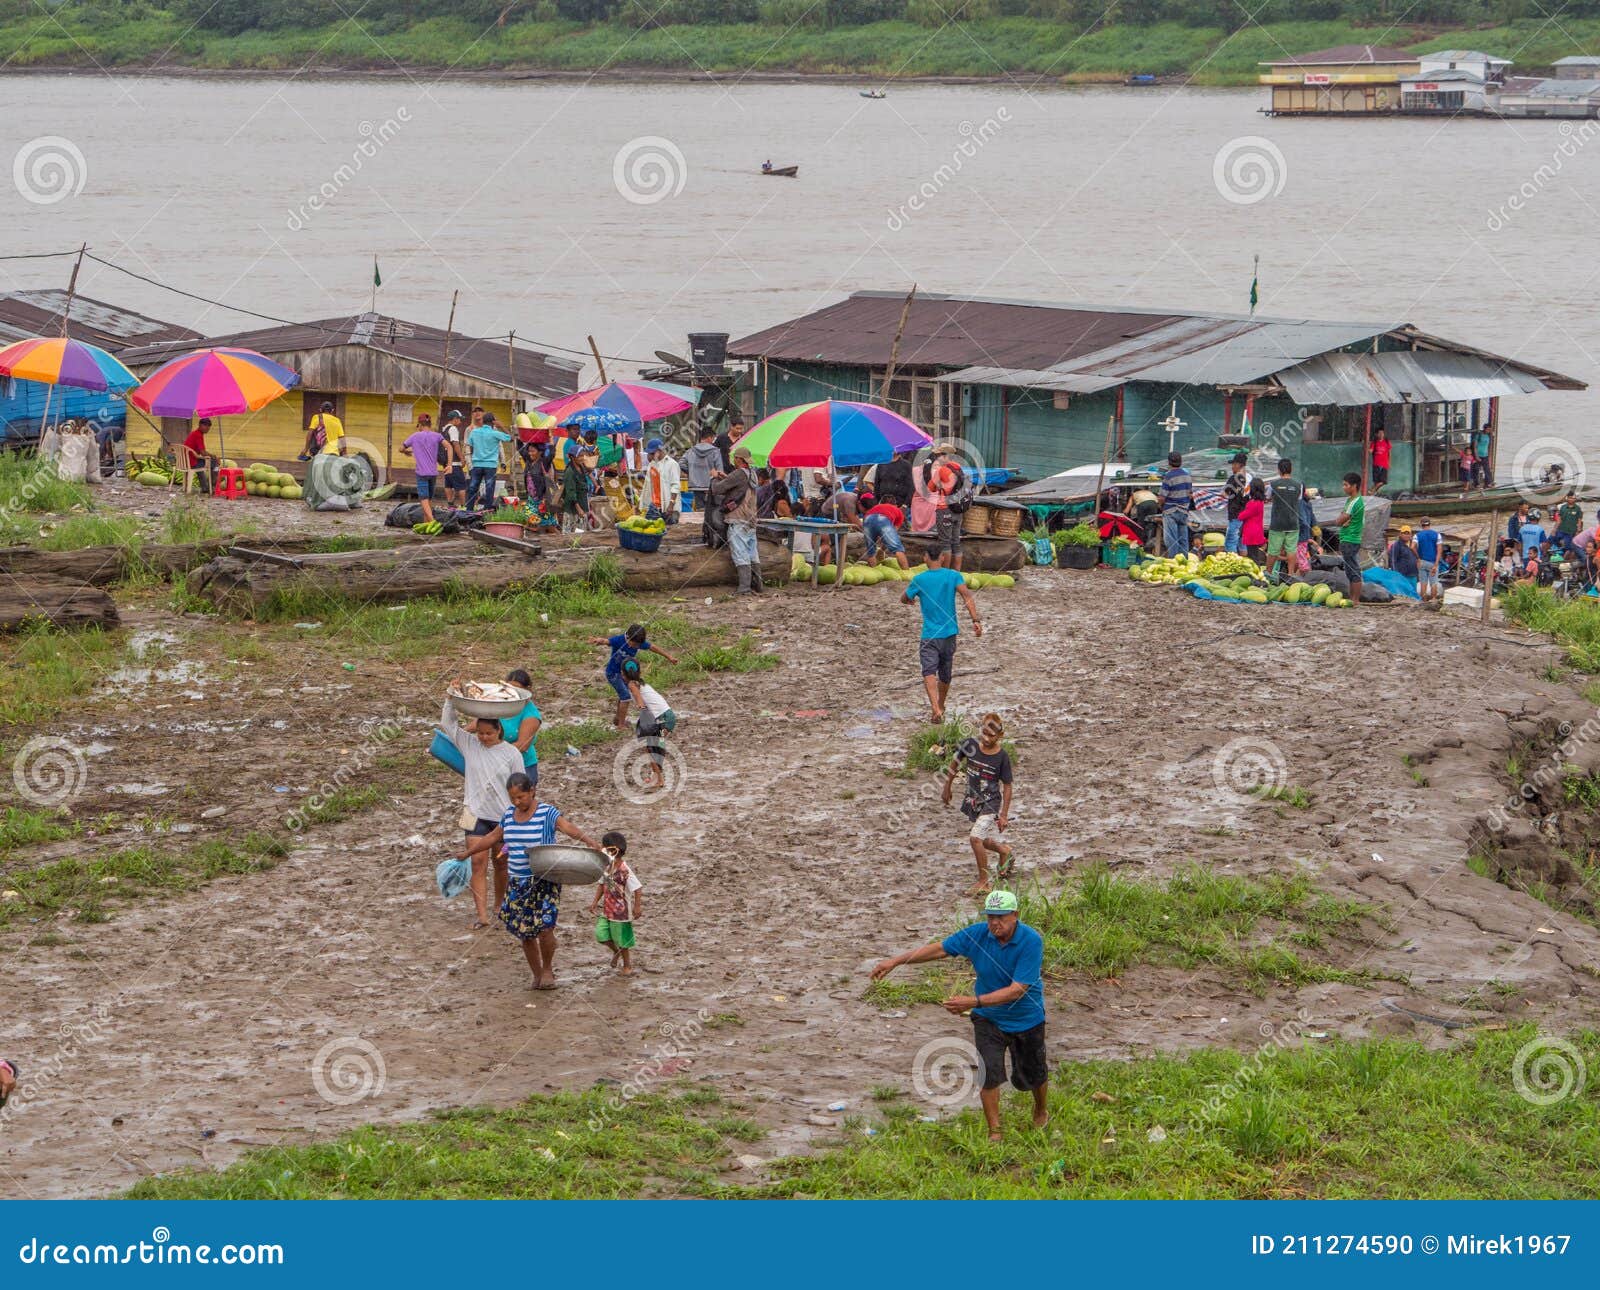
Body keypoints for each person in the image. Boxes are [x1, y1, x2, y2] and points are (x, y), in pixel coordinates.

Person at [870, 889, 1048, 1142]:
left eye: (1001, 917)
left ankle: (1040, 1109)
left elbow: (1017, 990)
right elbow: (940, 949)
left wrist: (972, 1001)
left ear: (1015, 915)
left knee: (1033, 1074)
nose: (995, 923)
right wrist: (896, 961)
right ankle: (994, 1132)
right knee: (989, 1073)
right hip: (989, 1018)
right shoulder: (977, 934)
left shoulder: (1031, 941)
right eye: (990, 917)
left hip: (1026, 1018)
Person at [458, 773, 604, 989]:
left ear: (532, 791)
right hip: (517, 883)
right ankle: (536, 975)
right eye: (513, 799)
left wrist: (590, 842)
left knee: (546, 929)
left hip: (545, 879)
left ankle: (547, 970)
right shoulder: (508, 816)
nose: (517, 802)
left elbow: (568, 827)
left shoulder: (547, 813)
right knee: (525, 933)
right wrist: (468, 853)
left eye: (521, 797)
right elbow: (491, 838)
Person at [442, 690, 526, 929]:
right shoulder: (469, 745)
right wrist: (450, 698)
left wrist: (520, 816)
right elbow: (448, 724)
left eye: (489, 733)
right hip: (474, 814)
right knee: (477, 864)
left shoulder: (511, 754)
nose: (484, 738)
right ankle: (482, 916)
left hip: (503, 818)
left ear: (499, 730)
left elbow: (520, 787)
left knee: (501, 864)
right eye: (480, 733)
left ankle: (499, 906)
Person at [904, 545, 982, 723]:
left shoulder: (919, 579)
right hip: (950, 633)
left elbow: (904, 597)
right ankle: (941, 704)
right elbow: (967, 596)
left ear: (925, 558)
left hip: (930, 635)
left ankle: (935, 708)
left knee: (929, 671)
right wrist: (975, 620)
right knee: (945, 673)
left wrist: (908, 599)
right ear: (942, 558)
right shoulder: (953, 575)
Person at [944, 714, 1015, 896]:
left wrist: (1004, 815)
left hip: (991, 803)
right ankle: (1004, 851)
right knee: (980, 837)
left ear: (1000, 735)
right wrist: (947, 787)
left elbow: (1007, 786)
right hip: (973, 799)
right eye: (984, 733)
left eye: (991, 735)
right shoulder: (970, 745)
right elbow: (955, 764)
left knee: (975, 838)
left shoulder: (1002, 757)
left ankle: (984, 882)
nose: (986, 738)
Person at [591, 624, 678, 730]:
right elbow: (607, 641)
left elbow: (652, 647)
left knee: (623, 695)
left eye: (638, 645)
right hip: (613, 674)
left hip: (626, 675)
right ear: (628, 637)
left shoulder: (638, 641)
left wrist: (669, 657)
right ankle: (621, 725)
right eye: (635, 644)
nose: (636, 647)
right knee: (626, 697)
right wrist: (598, 640)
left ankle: (618, 719)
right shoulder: (619, 640)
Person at [711, 444, 763, 594]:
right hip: (751, 518)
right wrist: (726, 477)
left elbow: (717, 489)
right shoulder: (752, 474)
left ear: (739, 459)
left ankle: (745, 587)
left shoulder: (738, 474)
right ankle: (758, 585)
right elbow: (739, 485)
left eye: (735, 458)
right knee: (752, 552)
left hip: (738, 518)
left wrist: (714, 477)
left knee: (740, 553)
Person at [590, 831, 643, 974]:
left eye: (604, 847)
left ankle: (627, 966)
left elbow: (637, 888)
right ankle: (616, 951)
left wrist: (637, 907)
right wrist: (595, 902)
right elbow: (602, 885)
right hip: (607, 910)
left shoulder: (625, 871)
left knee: (623, 940)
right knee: (601, 935)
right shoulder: (607, 867)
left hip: (621, 913)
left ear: (612, 851)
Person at [621, 659, 676, 790]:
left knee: (650, 748)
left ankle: (659, 779)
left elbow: (638, 697)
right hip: (669, 718)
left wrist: (643, 709)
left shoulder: (632, 685)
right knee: (657, 746)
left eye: (622, 674)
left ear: (624, 674)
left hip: (661, 719)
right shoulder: (640, 682)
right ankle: (657, 776)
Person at [924, 443, 968, 571]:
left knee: (945, 542)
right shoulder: (959, 468)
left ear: (945, 456)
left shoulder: (941, 470)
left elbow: (930, 488)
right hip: (958, 509)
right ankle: (956, 572)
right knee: (956, 542)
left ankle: (945, 572)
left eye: (938, 455)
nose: (937, 458)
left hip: (945, 509)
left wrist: (939, 483)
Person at [501, 667, 543, 787]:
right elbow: (480, 723)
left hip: (523, 768)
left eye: (517, 689)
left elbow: (522, 745)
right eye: (509, 688)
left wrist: (493, 754)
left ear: (527, 690)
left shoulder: (531, 715)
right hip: (501, 765)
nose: (513, 693)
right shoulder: (502, 704)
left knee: (519, 803)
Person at [1264, 458, 1303, 582]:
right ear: (1291, 469)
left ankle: (1268, 573)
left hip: (1277, 523)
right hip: (1293, 522)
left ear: (1279, 470)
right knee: (1291, 549)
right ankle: (1290, 574)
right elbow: (1299, 499)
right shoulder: (1299, 485)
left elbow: (1267, 497)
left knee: (1273, 550)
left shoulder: (1273, 484)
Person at [401, 413, 444, 525]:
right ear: (430, 424)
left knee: (423, 499)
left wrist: (406, 452)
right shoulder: (437, 435)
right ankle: (426, 523)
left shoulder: (415, 436)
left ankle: (433, 521)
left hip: (421, 473)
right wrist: (448, 464)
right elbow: (448, 446)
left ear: (420, 424)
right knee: (429, 500)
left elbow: (401, 448)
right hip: (433, 473)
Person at [465, 412, 510, 511]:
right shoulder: (495, 433)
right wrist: (501, 425)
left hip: (476, 464)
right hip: (490, 466)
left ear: (483, 421)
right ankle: (487, 511)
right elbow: (510, 438)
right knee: (489, 489)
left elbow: (470, 446)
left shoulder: (474, 432)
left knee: (473, 488)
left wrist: (475, 458)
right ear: (493, 422)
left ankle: (469, 510)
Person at [1335, 471, 1365, 606]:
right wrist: (1343, 519)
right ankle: (1353, 599)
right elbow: (1342, 518)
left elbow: (1339, 520)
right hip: (1348, 538)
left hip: (1350, 539)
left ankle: (1355, 600)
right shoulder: (1350, 500)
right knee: (1349, 570)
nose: (1344, 487)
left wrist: (1343, 520)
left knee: (1353, 569)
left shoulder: (1355, 502)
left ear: (1354, 486)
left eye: (1346, 485)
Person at [1158, 451, 1193, 558]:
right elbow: (1190, 494)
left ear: (1169, 462)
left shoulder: (1168, 477)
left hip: (1171, 511)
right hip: (1184, 511)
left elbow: (1162, 497)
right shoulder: (1187, 476)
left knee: (1171, 540)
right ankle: (1184, 562)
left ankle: (1173, 562)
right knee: (1183, 539)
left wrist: (1160, 506)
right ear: (1181, 462)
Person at [682, 426, 724, 513]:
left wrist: (691, 472)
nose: (713, 441)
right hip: (711, 486)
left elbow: (681, 464)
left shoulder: (691, 451)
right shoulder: (715, 451)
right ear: (709, 438)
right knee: (712, 512)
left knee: (699, 512)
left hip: (696, 486)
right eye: (713, 439)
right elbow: (720, 470)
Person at [863, 497, 910, 571]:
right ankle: (907, 573)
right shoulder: (898, 511)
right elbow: (893, 532)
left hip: (867, 519)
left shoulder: (876, 507)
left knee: (871, 551)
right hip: (883, 519)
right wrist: (883, 548)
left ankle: (875, 572)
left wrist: (882, 550)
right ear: (895, 505)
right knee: (898, 549)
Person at [645, 437, 682, 524]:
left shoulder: (672, 464)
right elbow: (648, 486)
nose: (650, 456)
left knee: (671, 534)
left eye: (652, 453)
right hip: (655, 507)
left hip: (669, 508)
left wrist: (671, 505)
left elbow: (676, 485)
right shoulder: (652, 465)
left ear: (659, 451)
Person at [1222, 453, 1251, 554]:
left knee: (1231, 543)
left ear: (1239, 465)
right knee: (1242, 544)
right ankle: (1245, 568)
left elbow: (1224, 494)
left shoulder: (1233, 478)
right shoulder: (1250, 478)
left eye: (1234, 464)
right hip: (1246, 516)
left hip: (1235, 516)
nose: (1232, 466)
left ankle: (1234, 567)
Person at [440, 410, 468, 508]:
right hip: (455, 463)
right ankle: (463, 505)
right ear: (455, 419)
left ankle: (450, 504)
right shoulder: (453, 429)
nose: (460, 421)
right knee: (462, 486)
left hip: (446, 463)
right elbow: (455, 444)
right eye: (460, 419)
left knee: (448, 484)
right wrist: (462, 458)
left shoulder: (444, 429)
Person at [181, 418, 216, 490]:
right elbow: (203, 453)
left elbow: (200, 451)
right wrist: (214, 456)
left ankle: (205, 487)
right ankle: (212, 485)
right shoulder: (198, 435)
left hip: (186, 461)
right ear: (200, 425)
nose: (207, 428)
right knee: (214, 463)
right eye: (205, 425)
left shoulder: (194, 433)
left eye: (209, 426)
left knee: (201, 464)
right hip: (191, 462)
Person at [1414, 516, 1442, 603]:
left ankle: (1424, 600)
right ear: (1430, 524)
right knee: (1433, 583)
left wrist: (1418, 558)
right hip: (1432, 562)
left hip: (1422, 562)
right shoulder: (1437, 535)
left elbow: (1412, 547)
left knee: (1423, 583)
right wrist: (1436, 564)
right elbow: (1439, 550)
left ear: (1421, 525)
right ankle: (1433, 600)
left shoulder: (1417, 535)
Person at [1239, 478, 1266, 564]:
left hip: (1251, 533)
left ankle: (1256, 575)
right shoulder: (1260, 502)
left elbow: (1241, 516)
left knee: (1252, 557)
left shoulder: (1252, 503)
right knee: (1254, 555)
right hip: (1257, 532)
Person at [1554, 491, 1584, 558]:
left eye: (1573, 498)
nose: (1571, 499)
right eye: (1570, 498)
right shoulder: (1563, 507)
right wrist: (1554, 529)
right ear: (1567, 498)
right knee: (1555, 542)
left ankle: (1566, 560)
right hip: (1561, 530)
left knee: (1570, 548)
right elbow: (1559, 519)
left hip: (1571, 532)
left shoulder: (1578, 509)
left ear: (1575, 499)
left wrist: (1578, 531)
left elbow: (1579, 521)